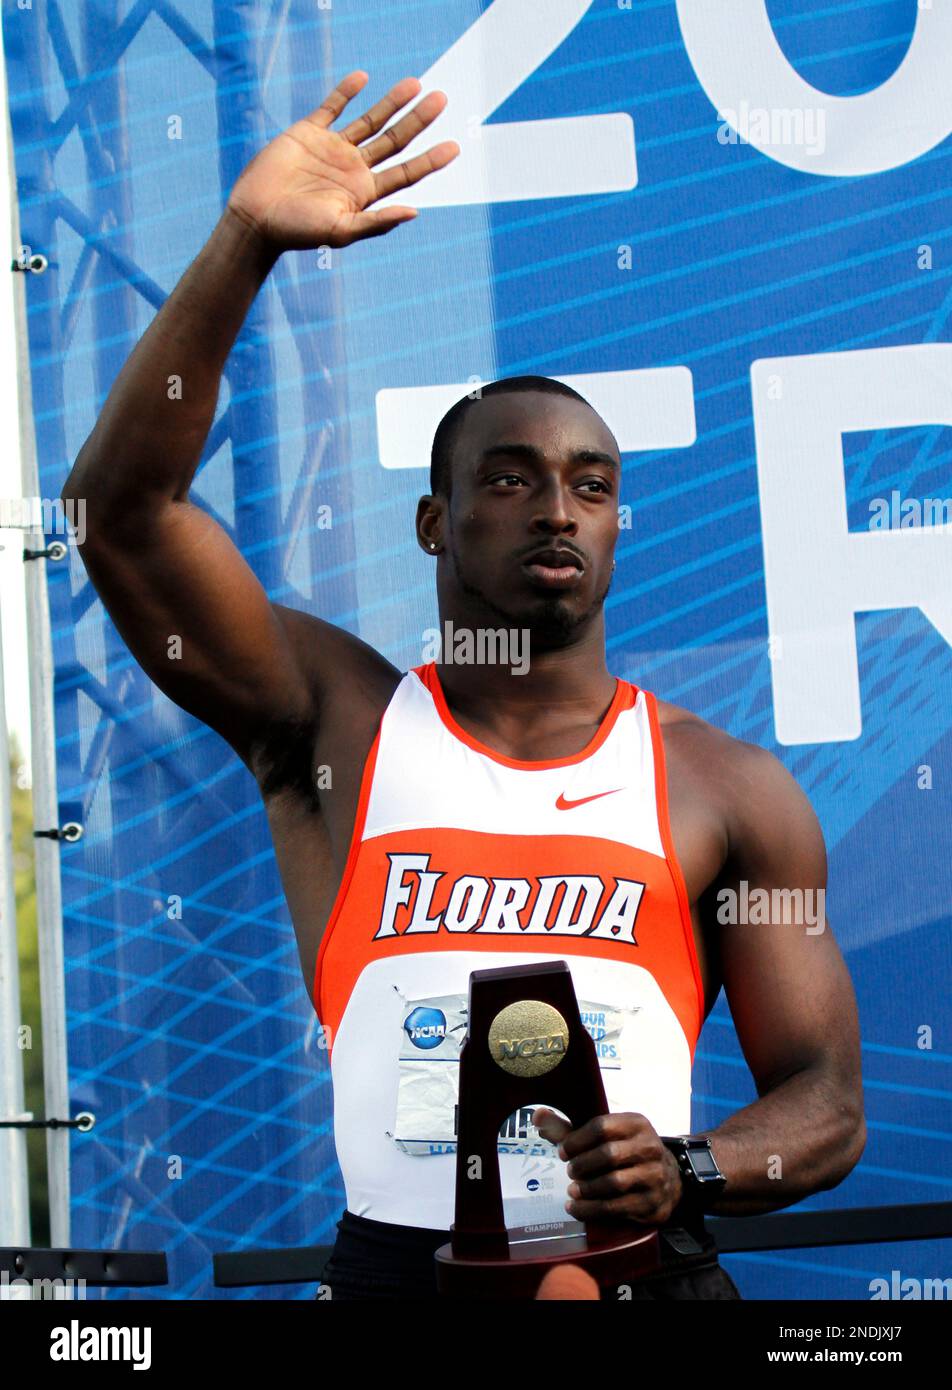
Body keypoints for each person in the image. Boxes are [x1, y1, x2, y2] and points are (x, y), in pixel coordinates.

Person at [61, 71, 866, 1301]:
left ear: (616, 526)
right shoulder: (334, 722)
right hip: (403, 1277)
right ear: (434, 520)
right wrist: (243, 246)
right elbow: (122, 515)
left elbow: (826, 1103)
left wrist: (689, 1167)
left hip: (638, 1274)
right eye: (512, 477)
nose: (557, 506)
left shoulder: (726, 786)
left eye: (592, 484)